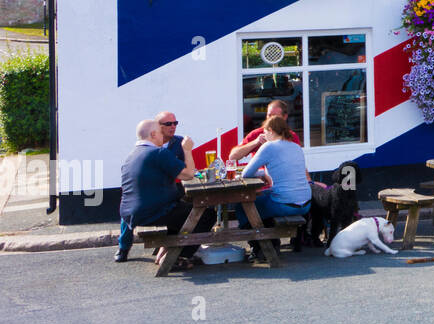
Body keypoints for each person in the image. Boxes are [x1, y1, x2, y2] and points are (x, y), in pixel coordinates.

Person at [117, 118, 214, 268]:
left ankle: (168, 250)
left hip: (129, 213)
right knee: (206, 214)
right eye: (161, 132)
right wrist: (187, 150)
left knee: (183, 210)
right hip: (153, 212)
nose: (164, 135)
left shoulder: (132, 155)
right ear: (154, 134)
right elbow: (188, 174)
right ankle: (177, 257)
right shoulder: (158, 152)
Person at [236, 114, 312, 229]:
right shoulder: (295, 147)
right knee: (264, 195)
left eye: (265, 132)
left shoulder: (269, 146)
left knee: (244, 205)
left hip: (285, 205)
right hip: (306, 204)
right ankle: (269, 240)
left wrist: (259, 174)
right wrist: (262, 174)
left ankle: (257, 242)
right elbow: (285, 170)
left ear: (270, 130)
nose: (264, 136)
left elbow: (246, 174)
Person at [228, 99, 302, 162]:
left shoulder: (291, 136)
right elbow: (233, 157)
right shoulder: (257, 134)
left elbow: (297, 161)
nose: (271, 119)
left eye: (275, 116)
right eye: (269, 115)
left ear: (285, 117)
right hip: (259, 176)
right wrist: (256, 142)